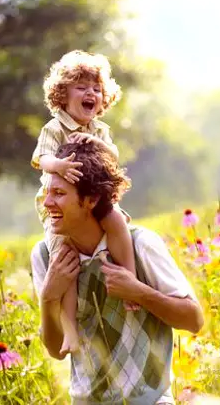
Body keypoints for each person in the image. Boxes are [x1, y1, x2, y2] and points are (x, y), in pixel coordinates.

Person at [30, 142, 204, 404]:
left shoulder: (140, 244)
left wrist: (138, 292)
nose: (47, 202)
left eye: (58, 193)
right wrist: (48, 298)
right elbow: (56, 351)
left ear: (91, 200)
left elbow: (194, 320)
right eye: (47, 192)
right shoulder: (45, 257)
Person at [31, 50, 139, 355]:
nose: (90, 93)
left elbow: (114, 157)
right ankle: (70, 331)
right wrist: (59, 167)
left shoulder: (100, 130)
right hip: (58, 206)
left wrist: (100, 144)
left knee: (117, 221)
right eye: (81, 87)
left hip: (95, 200)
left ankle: (129, 278)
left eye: (96, 89)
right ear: (63, 95)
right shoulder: (55, 127)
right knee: (64, 262)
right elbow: (42, 157)